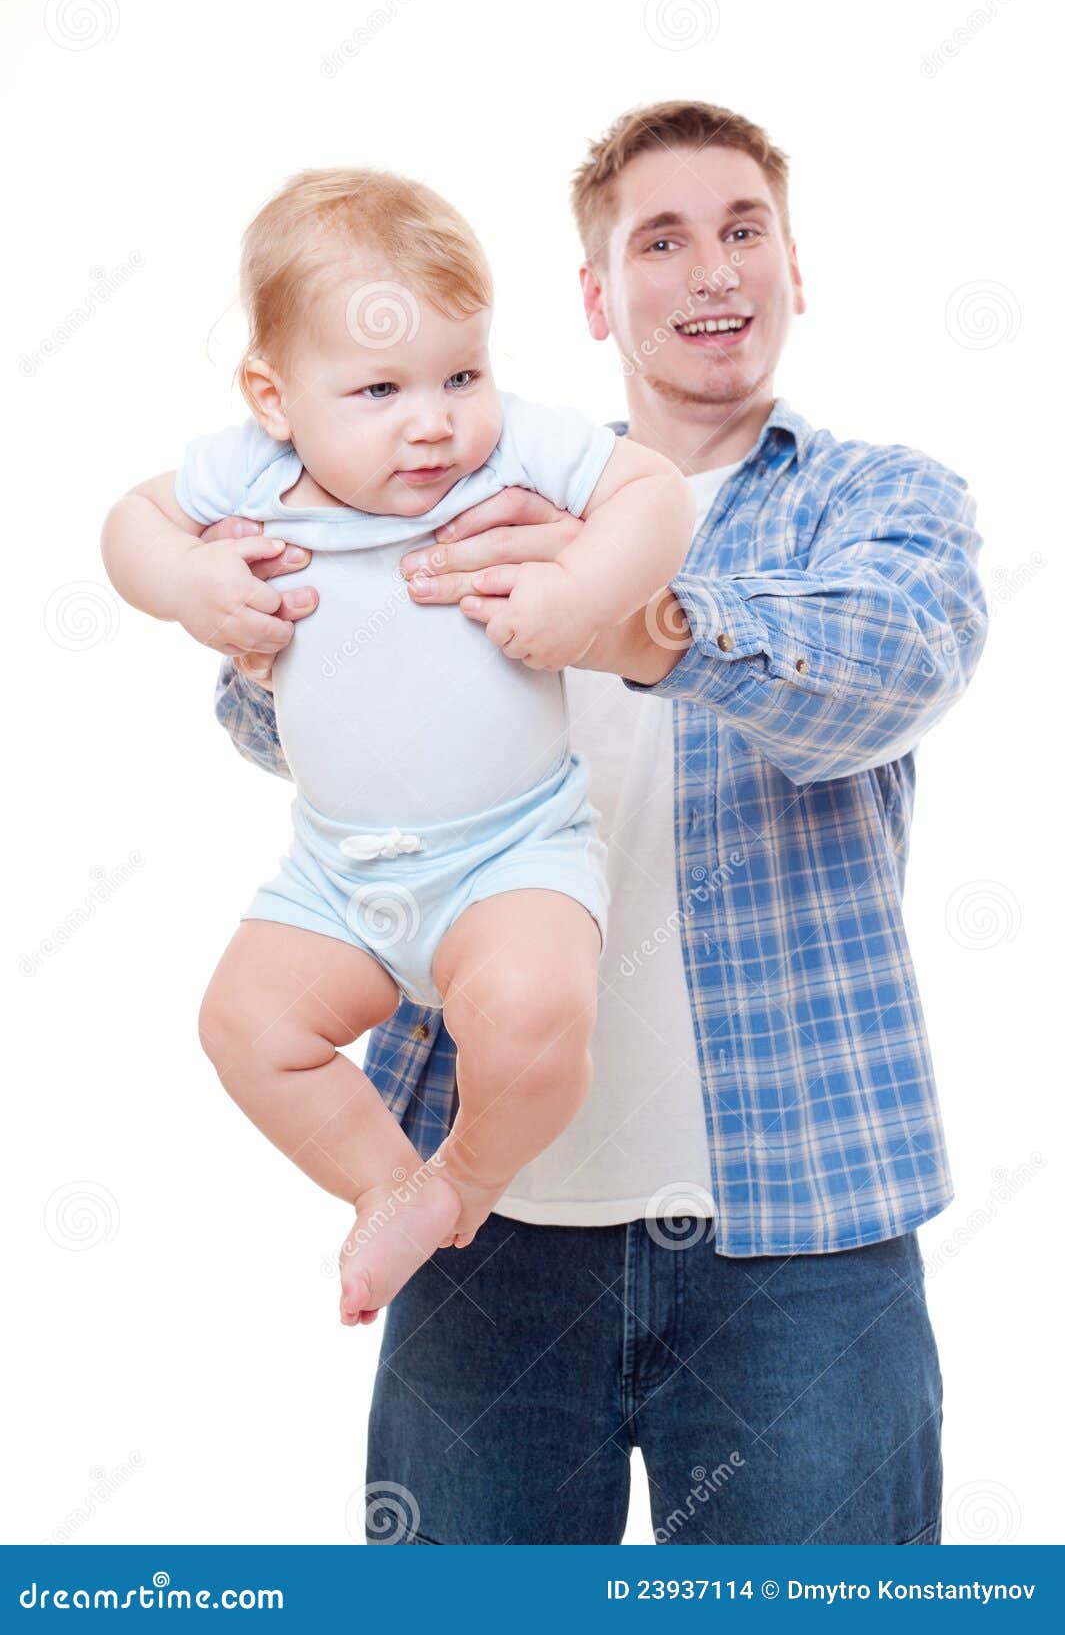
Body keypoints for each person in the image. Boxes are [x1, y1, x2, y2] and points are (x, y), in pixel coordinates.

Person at [203, 102, 988, 1544]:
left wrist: (632, 610)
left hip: (801, 1230)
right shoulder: (454, 476)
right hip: (480, 1220)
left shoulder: (879, 500)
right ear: (592, 293)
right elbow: (268, 725)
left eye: (743, 230)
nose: (711, 270)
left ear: (794, 267)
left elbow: (891, 668)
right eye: (661, 238)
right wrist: (280, 616)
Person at [100, 167, 694, 1326]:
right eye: (379, 387)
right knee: (244, 1025)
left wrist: (581, 588)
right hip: (336, 871)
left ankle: (467, 1175)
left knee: (529, 1013)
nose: (434, 419)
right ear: (274, 397)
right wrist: (188, 583)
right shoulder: (251, 474)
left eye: (461, 373)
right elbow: (129, 523)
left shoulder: (512, 452)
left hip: (510, 854)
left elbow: (656, 495)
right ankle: (393, 1188)